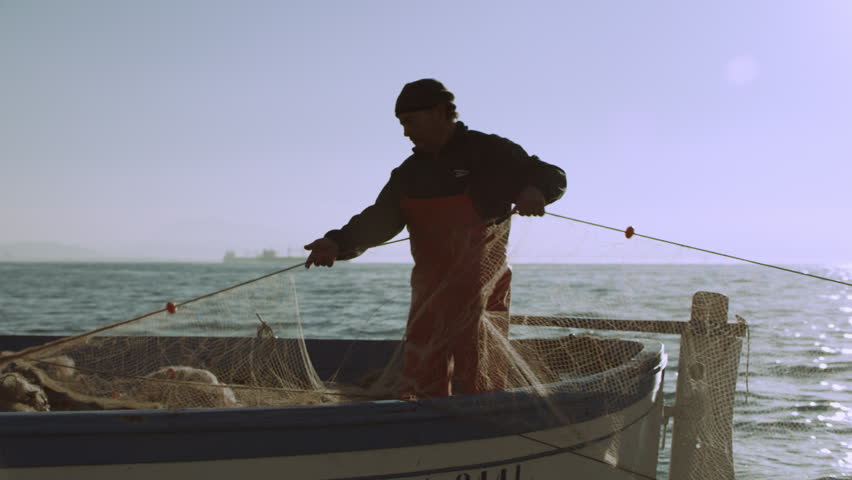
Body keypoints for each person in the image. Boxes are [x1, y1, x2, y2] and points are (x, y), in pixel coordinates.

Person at [305, 79, 566, 398]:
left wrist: (535, 191)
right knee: (422, 374)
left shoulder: (490, 153)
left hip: (482, 292)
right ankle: (425, 427)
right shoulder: (409, 174)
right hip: (429, 294)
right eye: (402, 124)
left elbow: (552, 175)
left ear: (440, 112)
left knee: (480, 370)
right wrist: (337, 243)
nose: (405, 132)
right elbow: (378, 221)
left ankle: (482, 427)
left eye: (410, 122)